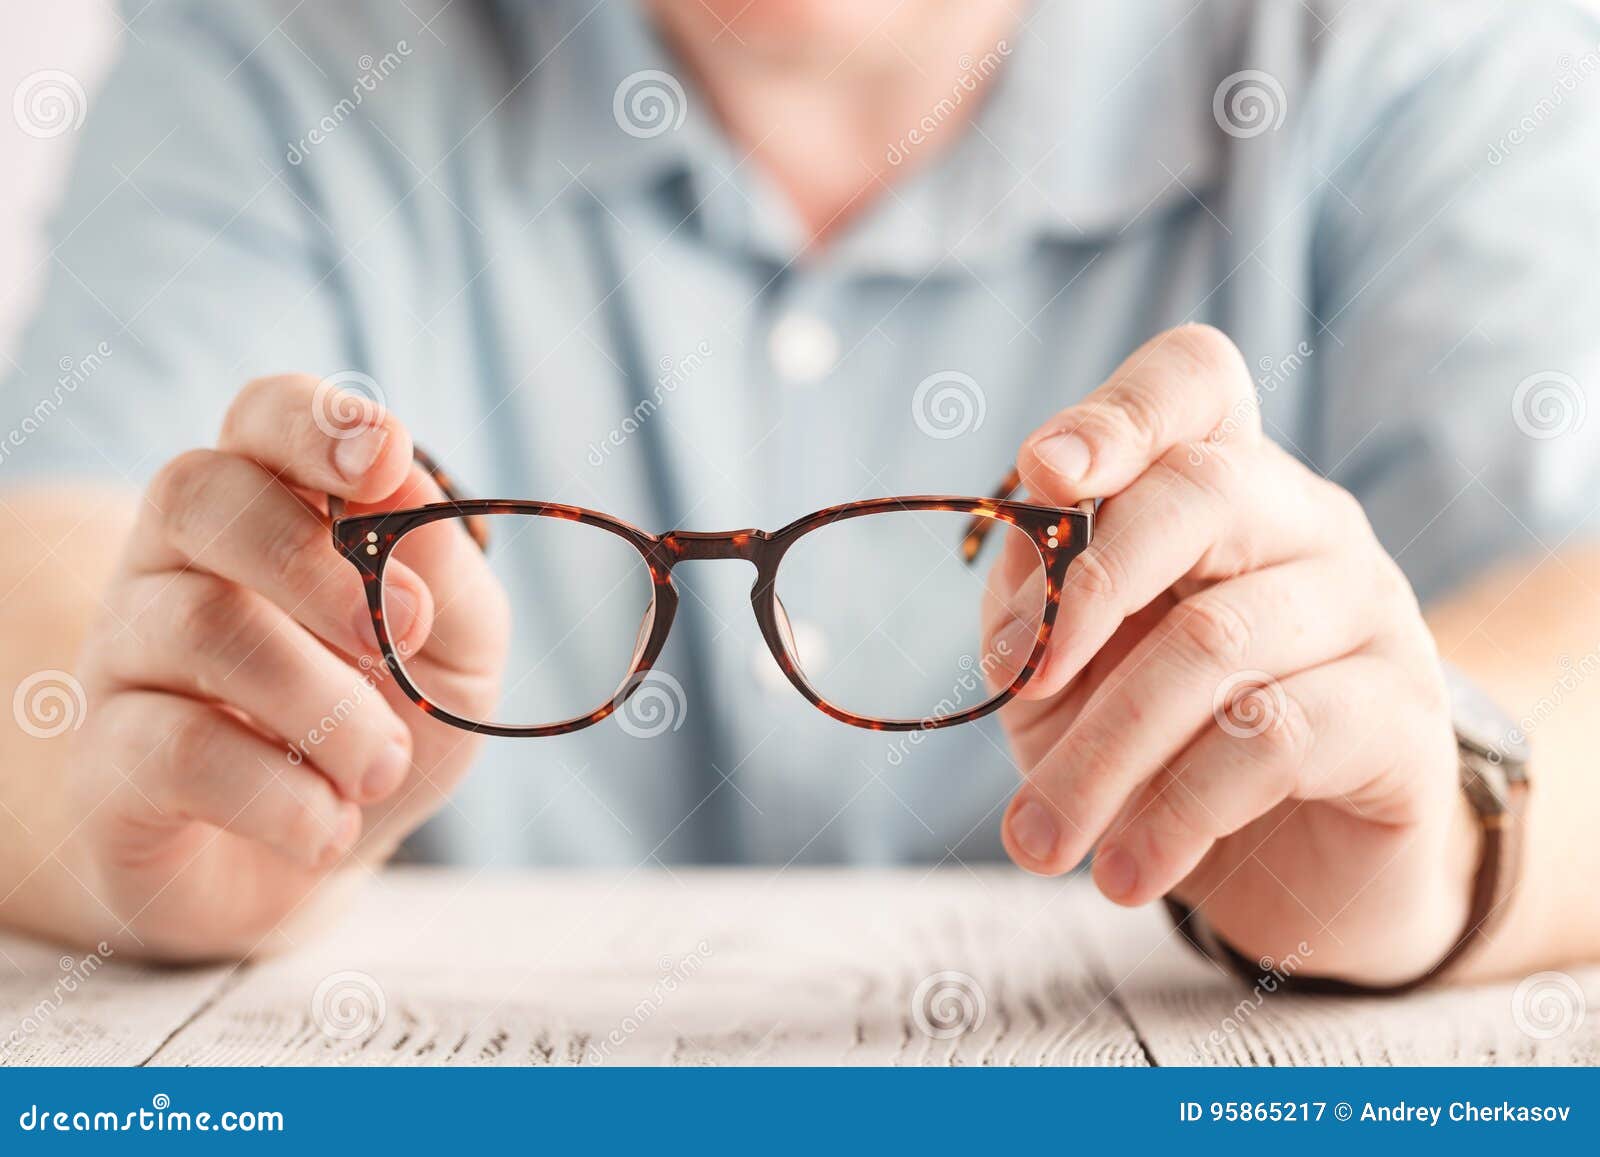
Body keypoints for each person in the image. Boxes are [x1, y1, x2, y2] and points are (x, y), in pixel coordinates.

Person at [0, 0, 1597, 987]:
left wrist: (1451, 822)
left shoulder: (1410, 45)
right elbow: (54, 579)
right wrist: (144, 789)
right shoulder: (279, 46)